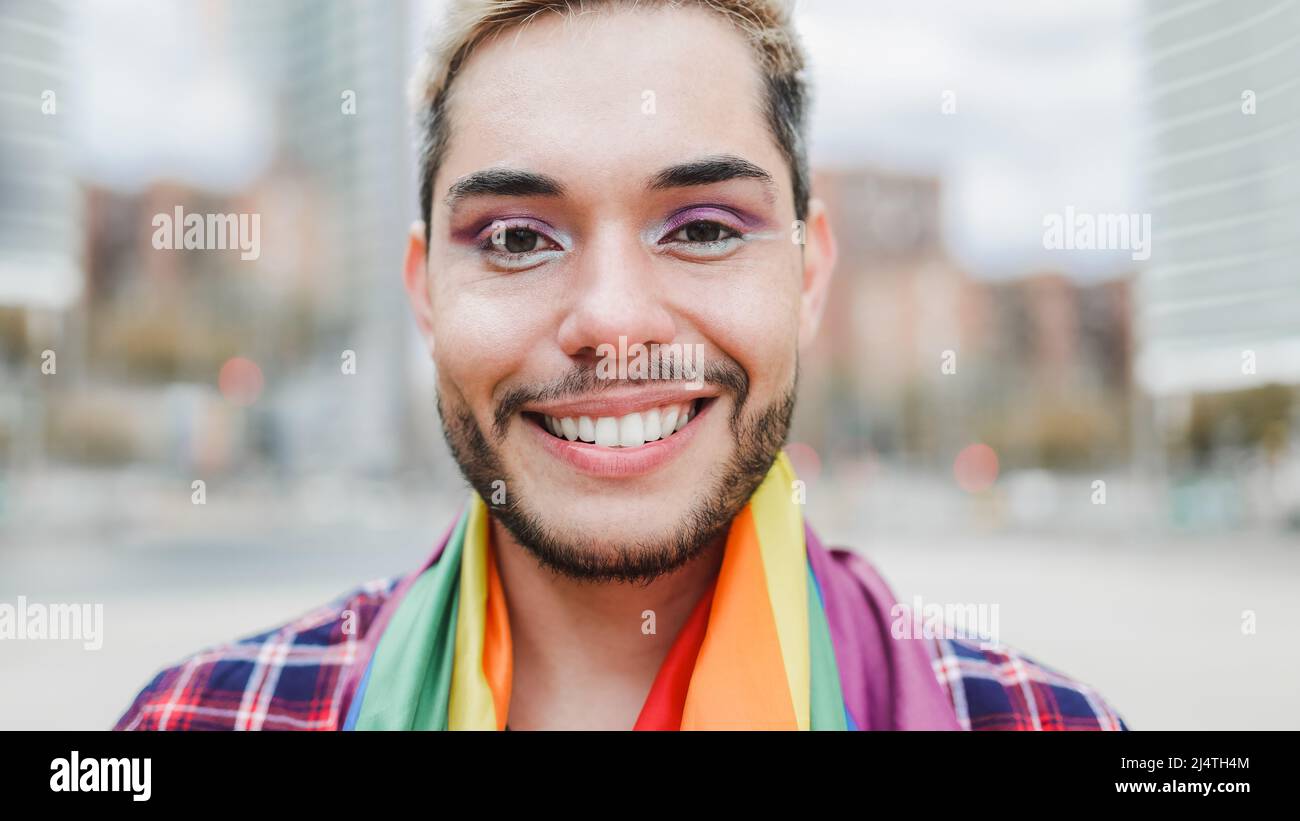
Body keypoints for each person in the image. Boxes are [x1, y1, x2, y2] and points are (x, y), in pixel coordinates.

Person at [116, 0, 1126, 731]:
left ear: (809, 274)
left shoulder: (1048, 725)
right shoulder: (197, 721)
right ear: (423, 292)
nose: (612, 321)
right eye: (515, 238)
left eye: (700, 228)